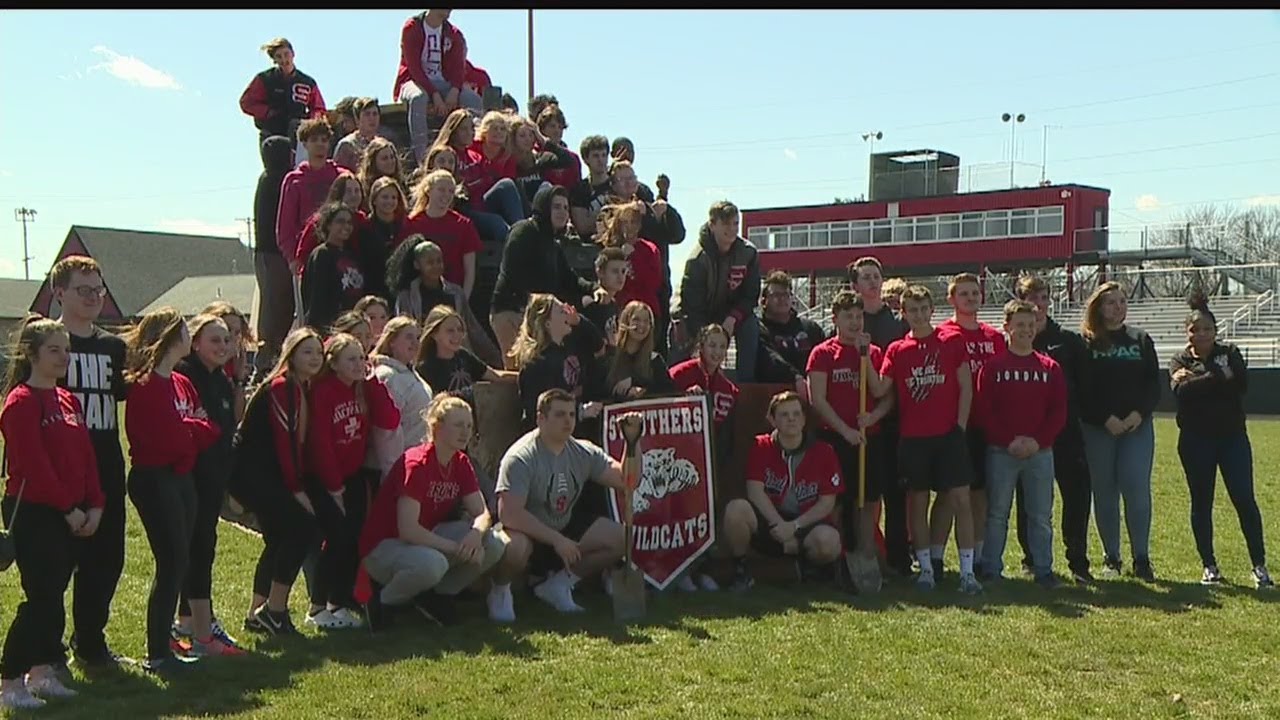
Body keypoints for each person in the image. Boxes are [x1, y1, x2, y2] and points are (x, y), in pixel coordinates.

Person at [0, 316, 103, 709]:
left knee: (55, 595)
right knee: (40, 598)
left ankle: (41, 672)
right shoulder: (21, 402)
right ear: (32, 354)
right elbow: (35, 465)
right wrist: (67, 510)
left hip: (74, 511)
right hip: (37, 511)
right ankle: (10, 680)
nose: (64, 357)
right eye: (54, 350)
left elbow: (86, 457)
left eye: (66, 349)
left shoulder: (67, 399)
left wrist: (95, 504)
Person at [123, 308, 220, 674]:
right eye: (184, 329)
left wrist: (188, 433)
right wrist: (189, 433)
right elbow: (165, 438)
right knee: (171, 562)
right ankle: (158, 653)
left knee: (182, 560)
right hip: (155, 478)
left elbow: (206, 426)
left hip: (182, 476)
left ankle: (166, 645)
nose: (188, 335)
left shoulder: (181, 381)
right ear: (168, 337)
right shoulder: (147, 384)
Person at [359, 394, 510, 628]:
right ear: (437, 427)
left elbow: (482, 514)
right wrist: (458, 548)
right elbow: (408, 530)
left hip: (425, 540)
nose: (465, 432)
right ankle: (384, 601)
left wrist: (475, 535)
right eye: (458, 425)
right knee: (434, 563)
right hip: (385, 546)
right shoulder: (417, 464)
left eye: (469, 425)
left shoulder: (460, 462)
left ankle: (438, 596)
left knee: (495, 543)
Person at [490, 389, 638, 618]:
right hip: (528, 531)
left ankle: (558, 586)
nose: (568, 421)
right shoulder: (520, 457)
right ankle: (500, 590)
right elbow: (509, 513)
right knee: (515, 548)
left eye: (571, 414)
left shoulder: (583, 451)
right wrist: (556, 540)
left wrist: (632, 443)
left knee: (623, 537)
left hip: (563, 525)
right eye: (559, 414)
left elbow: (628, 482)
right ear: (541, 418)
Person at [48, 257, 128, 669]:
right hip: (60, 470)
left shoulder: (114, 347)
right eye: (84, 290)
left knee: (107, 559)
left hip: (107, 465)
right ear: (58, 293)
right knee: (57, 565)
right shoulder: (46, 343)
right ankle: (47, 651)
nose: (95, 297)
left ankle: (90, 642)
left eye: (99, 289)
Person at [880, 285, 981, 594]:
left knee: (961, 500)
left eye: (924, 309)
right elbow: (879, 390)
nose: (919, 315)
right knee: (917, 504)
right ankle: (925, 569)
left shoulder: (951, 341)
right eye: (913, 310)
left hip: (949, 435)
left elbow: (966, 386)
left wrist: (960, 427)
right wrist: (861, 351)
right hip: (913, 438)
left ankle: (967, 572)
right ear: (903, 313)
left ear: (932, 310)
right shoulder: (897, 349)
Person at [1169, 293, 1272, 589]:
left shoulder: (1230, 351)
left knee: (1244, 499)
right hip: (1195, 441)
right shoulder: (1179, 359)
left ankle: (1259, 565)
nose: (1201, 334)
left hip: (1232, 439)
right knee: (1201, 503)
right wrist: (1217, 376)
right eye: (1195, 330)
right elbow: (1181, 394)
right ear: (1187, 332)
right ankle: (1209, 566)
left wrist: (1198, 379)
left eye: (1207, 329)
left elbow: (1240, 384)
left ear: (1215, 331)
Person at [303, 334, 401, 629]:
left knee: (352, 541)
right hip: (326, 479)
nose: (359, 364)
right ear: (332, 363)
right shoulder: (323, 391)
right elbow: (320, 443)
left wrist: (371, 380)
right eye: (351, 359)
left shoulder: (362, 387)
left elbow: (390, 418)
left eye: (361, 357)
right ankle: (317, 607)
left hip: (353, 475)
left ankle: (338, 603)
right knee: (334, 540)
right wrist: (334, 487)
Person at [233, 329, 325, 637]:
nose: (314, 358)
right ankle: (274, 610)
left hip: (262, 475)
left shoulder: (299, 386)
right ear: (291, 355)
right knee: (302, 527)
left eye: (318, 352)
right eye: (306, 352)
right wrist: (298, 492)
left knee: (278, 538)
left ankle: (257, 613)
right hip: (255, 475)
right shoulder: (283, 387)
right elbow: (286, 447)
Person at [974, 300, 1067, 589]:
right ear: (1007, 327)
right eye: (1020, 325)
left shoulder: (1049, 367)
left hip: (1040, 453)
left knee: (1040, 515)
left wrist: (1037, 441)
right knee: (997, 512)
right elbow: (984, 410)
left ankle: (1043, 570)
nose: (1026, 330)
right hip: (1002, 451)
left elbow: (1058, 410)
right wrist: (1008, 440)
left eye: (1031, 324)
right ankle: (991, 567)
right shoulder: (993, 367)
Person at [806, 290, 895, 587]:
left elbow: (884, 395)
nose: (855, 322)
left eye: (859, 316)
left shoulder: (874, 352)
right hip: (836, 439)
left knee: (868, 500)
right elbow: (817, 399)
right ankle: (836, 559)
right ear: (835, 319)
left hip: (870, 438)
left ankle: (866, 555)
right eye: (848, 317)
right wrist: (845, 430)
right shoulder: (822, 353)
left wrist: (872, 418)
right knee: (838, 502)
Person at [171, 315, 245, 656]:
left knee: (204, 547)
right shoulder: (186, 376)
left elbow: (230, 426)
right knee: (194, 550)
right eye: (214, 340)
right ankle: (202, 632)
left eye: (227, 340)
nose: (223, 346)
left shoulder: (220, 379)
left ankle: (188, 621)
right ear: (195, 342)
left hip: (215, 477)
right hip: (189, 477)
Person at [1013, 275, 1095, 584]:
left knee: (1075, 498)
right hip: (1029, 437)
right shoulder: (1014, 343)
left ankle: (1078, 560)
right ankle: (1032, 558)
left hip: (1066, 435)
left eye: (1043, 297)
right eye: (1030, 297)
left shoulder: (1070, 342)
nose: (1038, 304)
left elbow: (1085, 388)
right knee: (1031, 502)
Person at [721, 391, 845, 591]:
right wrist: (780, 525)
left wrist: (794, 526)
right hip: (771, 523)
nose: (791, 420)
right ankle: (740, 570)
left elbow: (827, 502)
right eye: (784, 415)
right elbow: (754, 491)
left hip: (805, 523)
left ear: (804, 419)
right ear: (772, 419)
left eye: (796, 414)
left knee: (829, 542)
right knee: (736, 510)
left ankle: (809, 567)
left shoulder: (824, 451)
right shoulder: (761, 445)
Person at [1078, 281, 1160, 581]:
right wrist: (1104, 418)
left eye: (1123, 301)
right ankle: (1111, 557)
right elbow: (1082, 390)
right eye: (1111, 302)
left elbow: (1153, 383)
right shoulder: (1086, 342)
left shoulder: (1140, 338)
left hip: (1136, 428)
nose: (1118, 307)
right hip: (1099, 429)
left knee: (1137, 489)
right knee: (1104, 492)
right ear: (1098, 307)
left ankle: (1142, 558)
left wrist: (1139, 413)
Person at [930, 272, 1007, 578]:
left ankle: (975, 556)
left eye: (974, 293)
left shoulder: (994, 337)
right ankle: (935, 556)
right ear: (952, 299)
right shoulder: (943, 335)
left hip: (986, 426)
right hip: (953, 426)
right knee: (949, 493)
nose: (970, 298)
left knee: (979, 495)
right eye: (964, 294)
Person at [848, 256, 910, 575]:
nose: (872, 282)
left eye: (876, 276)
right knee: (864, 492)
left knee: (897, 493)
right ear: (855, 285)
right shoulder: (853, 321)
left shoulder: (898, 324)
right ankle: (864, 549)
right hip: (860, 420)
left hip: (894, 417)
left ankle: (900, 556)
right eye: (866, 277)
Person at [490, 185, 598, 360]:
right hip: (512, 311)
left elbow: (570, 278)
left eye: (565, 207)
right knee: (519, 369)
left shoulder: (554, 245)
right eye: (556, 206)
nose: (562, 212)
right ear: (544, 207)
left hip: (537, 315)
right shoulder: (524, 231)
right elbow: (514, 274)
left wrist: (594, 289)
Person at [669, 323, 738, 592]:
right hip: (679, 459)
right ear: (701, 345)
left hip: (709, 463)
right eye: (712, 345)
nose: (717, 351)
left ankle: (699, 569)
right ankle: (678, 571)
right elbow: (659, 405)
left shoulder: (729, 389)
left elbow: (727, 434)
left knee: (704, 518)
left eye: (722, 346)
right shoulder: (679, 374)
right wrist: (682, 401)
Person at [671, 200, 761, 383]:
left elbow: (751, 295)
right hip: (694, 314)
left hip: (729, 314)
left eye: (735, 223)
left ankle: (746, 385)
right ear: (712, 225)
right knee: (680, 332)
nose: (732, 229)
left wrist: (734, 317)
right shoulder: (697, 259)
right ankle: (679, 385)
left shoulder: (748, 253)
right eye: (725, 224)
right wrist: (706, 335)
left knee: (751, 325)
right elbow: (691, 305)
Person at [394, 9, 483, 164]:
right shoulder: (412, 28)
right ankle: (422, 159)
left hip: (444, 83)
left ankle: (476, 154)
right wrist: (434, 94)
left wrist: (455, 90)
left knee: (473, 99)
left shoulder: (454, 34)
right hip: (413, 81)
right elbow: (414, 68)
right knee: (418, 98)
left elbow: (458, 69)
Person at [509, 294, 605, 431]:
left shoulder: (570, 344)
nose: (567, 313)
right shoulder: (536, 364)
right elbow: (538, 411)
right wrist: (580, 412)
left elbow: (597, 343)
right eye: (561, 311)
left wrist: (579, 321)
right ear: (547, 323)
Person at [239, 37, 325, 164]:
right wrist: (268, 112)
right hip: (272, 133)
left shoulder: (307, 82)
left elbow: (319, 108)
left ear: (293, 54)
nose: (284, 60)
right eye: (279, 56)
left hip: (299, 136)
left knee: (299, 170)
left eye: (286, 54)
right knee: (275, 172)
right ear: (274, 60)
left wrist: (309, 123)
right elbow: (246, 102)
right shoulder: (265, 79)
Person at [253, 136, 298, 371]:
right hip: (273, 255)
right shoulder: (277, 180)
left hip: (269, 254)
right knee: (274, 311)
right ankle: (265, 365)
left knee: (276, 308)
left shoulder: (267, 178)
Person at [276, 118, 341, 278]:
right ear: (304, 144)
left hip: (342, 254)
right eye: (314, 140)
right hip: (308, 257)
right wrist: (293, 258)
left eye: (324, 140)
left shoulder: (342, 176)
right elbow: (285, 226)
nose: (320, 144)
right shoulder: (294, 180)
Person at [415, 305, 515, 406]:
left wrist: (524, 375)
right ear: (434, 334)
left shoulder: (464, 356)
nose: (457, 335)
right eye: (450, 331)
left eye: (459, 329)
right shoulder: (426, 368)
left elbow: (496, 376)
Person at [406, 169, 483, 299]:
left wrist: (463, 299)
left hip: (452, 294)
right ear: (428, 191)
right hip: (421, 295)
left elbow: (470, 270)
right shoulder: (412, 223)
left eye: (451, 191)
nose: (446, 195)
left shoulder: (463, 224)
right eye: (441, 190)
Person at [370, 316, 434, 458]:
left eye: (417, 338)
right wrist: (394, 470)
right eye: (408, 337)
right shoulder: (387, 376)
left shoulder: (412, 373)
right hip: (397, 462)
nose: (415, 343)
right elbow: (385, 432)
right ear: (391, 341)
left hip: (417, 456)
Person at [755, 270, 828, 387]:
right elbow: (769, 360)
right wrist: (795, 377)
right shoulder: (758, 330)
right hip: (774, 394)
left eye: (786, 294)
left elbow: (825, 356)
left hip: (813, 392)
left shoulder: (811, 328)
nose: (782, 299)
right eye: (776, 295)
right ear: (763, 301)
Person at [301, 203, 365, 331]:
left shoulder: (353, 255)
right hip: (329, 327)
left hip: (352, 325)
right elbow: (317, 298)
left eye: (349, 223)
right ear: (328, 225)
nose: (346, 226)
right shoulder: (322, 254)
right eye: (340, 222)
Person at [598, 200, 663, 322]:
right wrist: (621, 256)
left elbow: (654, 282)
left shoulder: (650, 249)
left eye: (633, 222)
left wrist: (634, 258)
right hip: (620, 310)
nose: (629, 227)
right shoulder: (610, 249)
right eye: (625, 222)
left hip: (647, 312)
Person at [292, 173, 367, 275]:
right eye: (348, 191)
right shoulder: (320, 221)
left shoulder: (362, 220)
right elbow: (302, 257)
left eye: (357, 191)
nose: (353, 195)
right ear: (339, 194)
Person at [358, 177, 414, 304]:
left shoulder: (406, 225)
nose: (390, 201)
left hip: (402, 292)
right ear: (375, 200)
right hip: (373, 290)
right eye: (385, 197)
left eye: (394, 197)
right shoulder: (365, 228)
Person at [603, 302, 674, 402]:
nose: (642, 325)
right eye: (636, 320)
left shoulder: (655, 360)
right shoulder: (609, 356)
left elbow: (670, 392)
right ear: (626, 322)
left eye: (646, 321)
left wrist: (638, 385)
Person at [580, 247, 628, 349]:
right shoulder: (590, 302)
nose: (621, 277)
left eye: (623, 271)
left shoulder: (614, 304)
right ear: (600, 272)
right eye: (615, 271)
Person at [568, 134, 613, 239]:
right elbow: (582, 227)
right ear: (586, 159)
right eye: (596, 156)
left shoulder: (617, 184)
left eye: (604, 155)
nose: (601, 160)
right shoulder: (579, 190)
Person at [536, 105, 582, 192]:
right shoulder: (534, 153)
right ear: (542, 129)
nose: (557, 131)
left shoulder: (573, 158)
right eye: (552, 126)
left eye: (560, 127)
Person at [334, 97, 383, 172]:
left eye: (375, 114)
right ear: (357, 119)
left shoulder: (382, 143)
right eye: (367, 114)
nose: (372, 118)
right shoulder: (346, 145)